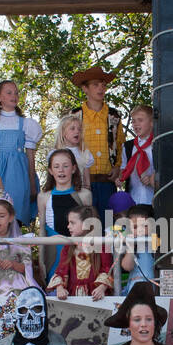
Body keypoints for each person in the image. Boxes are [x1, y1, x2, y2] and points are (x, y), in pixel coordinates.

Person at [0, 80, 41, 225]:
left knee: (15, 212)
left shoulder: (26, 123)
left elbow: (31, 155)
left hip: (19, 174)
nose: (14, 95)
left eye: (16, 93)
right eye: (9, 92)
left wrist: (32, 182)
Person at [70, 64, 124, 213]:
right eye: (95, 85)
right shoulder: (75, 115)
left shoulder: (113, 116)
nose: (101, 88)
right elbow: (66, 145)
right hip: (82, 183)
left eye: (103, 85)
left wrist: (118, 166)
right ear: (85, 89)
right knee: (85, 225)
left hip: (107, 182)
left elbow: (120, 144)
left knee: (108, 226)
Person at [38, 147, 92, 284]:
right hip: (53, 250)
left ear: (73, 169)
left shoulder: (84, 195)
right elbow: (42, 229)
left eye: (65, 166)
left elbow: (91, 229)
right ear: (50, 171)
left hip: (78, 249)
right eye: (56, 166)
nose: (61, 170)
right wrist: (41, 259)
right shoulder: (44, 196)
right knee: (55, 286)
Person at [48, 204, 113, 299]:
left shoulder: (101, 245)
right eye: (68, 223)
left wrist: (102, 288)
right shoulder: (68, 247)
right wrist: (60, 288)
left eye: (72, 223)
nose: (68, 226)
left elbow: (107, 269)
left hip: (97, 295)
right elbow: (61, 270)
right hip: (72, 296)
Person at [119, 104, 159, 207]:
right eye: (133, 121)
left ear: (151, 123)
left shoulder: (159, 145)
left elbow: (166, 171)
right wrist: (119, 178)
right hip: (133, 200)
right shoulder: (127, 146)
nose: (136, 124)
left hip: (155, 201)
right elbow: (123, 169)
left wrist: (152, 178)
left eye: (140, 120)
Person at [116, 202, 157, 295]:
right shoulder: (132, 245)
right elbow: (127, 267)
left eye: (144, 226)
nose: (140, 230)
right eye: (135, 227)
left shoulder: (156, 243)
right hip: (136, 290)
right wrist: (131, 247)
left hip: (155, 289)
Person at [53, 111, 95, 190]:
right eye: (72, 129)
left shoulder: (84, 153)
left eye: (79, 129)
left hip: (79, 193)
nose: (77, 132)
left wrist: (87, 192)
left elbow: (87, 179)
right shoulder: (55, 154)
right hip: (60, 193)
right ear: (63, 132)